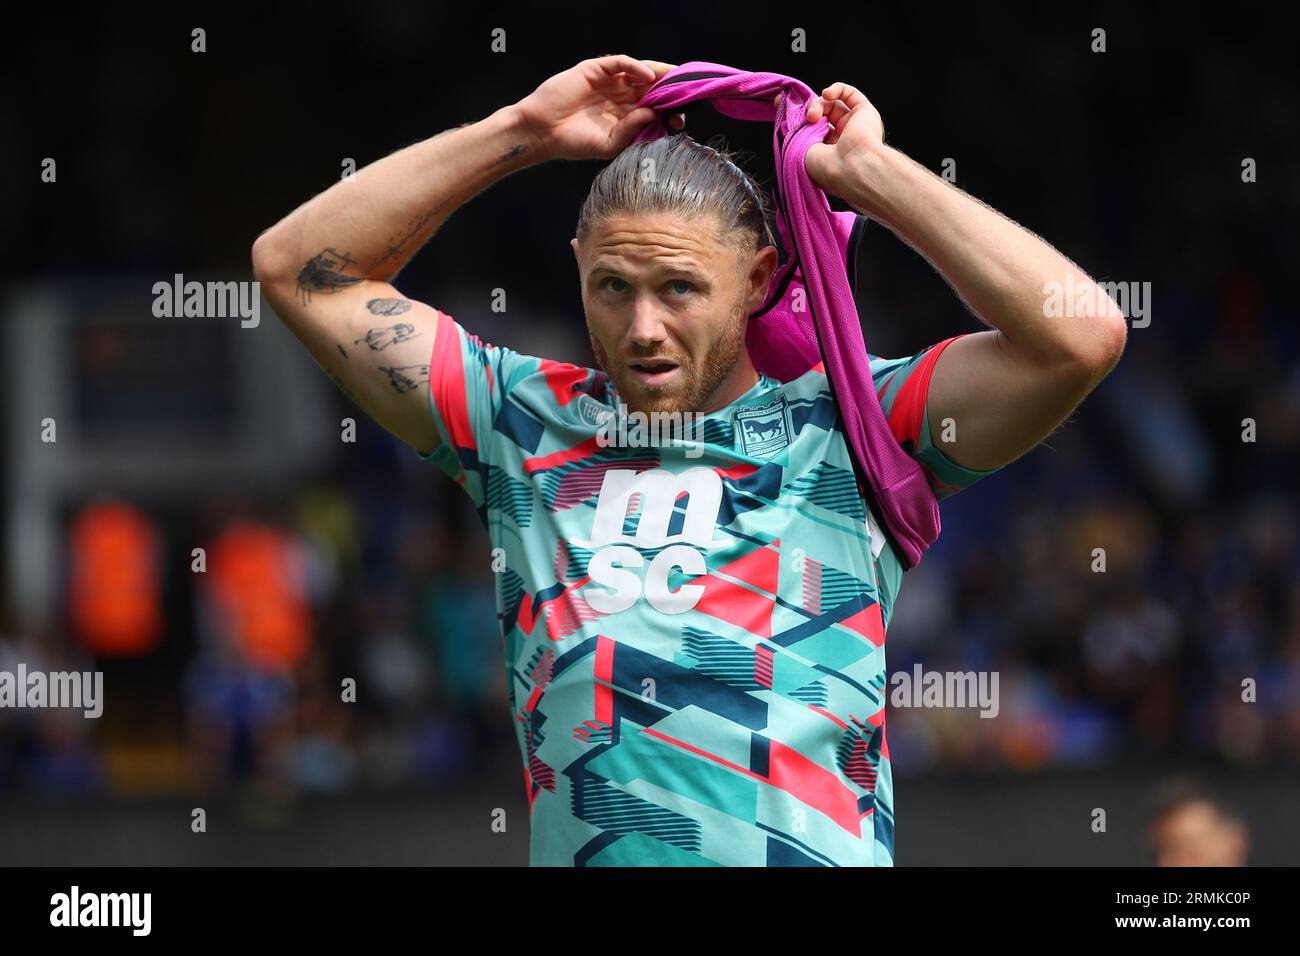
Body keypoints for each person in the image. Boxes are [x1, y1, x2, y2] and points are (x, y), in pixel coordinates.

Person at [251, 54, 1127, 866]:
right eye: (613, 288)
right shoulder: (518, 424)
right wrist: (523, 131)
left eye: (679, 288)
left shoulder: (854, 427)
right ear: (578, 272)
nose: (643, 330)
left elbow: (1077, 336)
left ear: (755, 280)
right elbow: (298, 270)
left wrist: (872, 177)